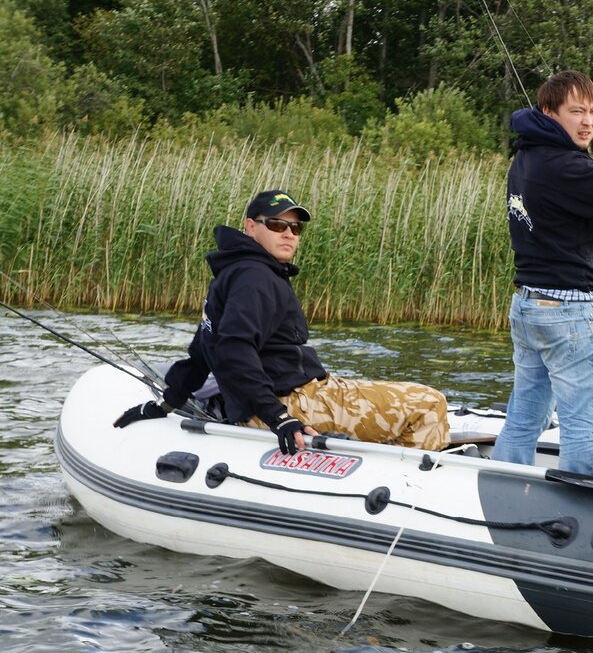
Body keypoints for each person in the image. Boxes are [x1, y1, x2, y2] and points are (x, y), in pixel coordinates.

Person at [113, 189, 450, 455]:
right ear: (251, 227)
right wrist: (279, 418)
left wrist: (166, 403)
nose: (289, 234)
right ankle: (407, 489)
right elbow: (232, 350)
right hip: (290, 402)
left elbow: (203, 352)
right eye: (277, 225)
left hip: (277, 398)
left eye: (296, 228)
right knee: (428, 402)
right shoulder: (255, 278)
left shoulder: (233, 273)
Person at [491, 70, 593, 474]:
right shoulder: (563, 166)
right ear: (549, 112)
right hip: (569, 313)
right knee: (582, 425)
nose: (588, 121)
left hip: (528, 306)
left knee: (524, 415)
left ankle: (502, 488)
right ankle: (575, 505)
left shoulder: (525, 159)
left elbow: (584, 191)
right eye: (577, 111)